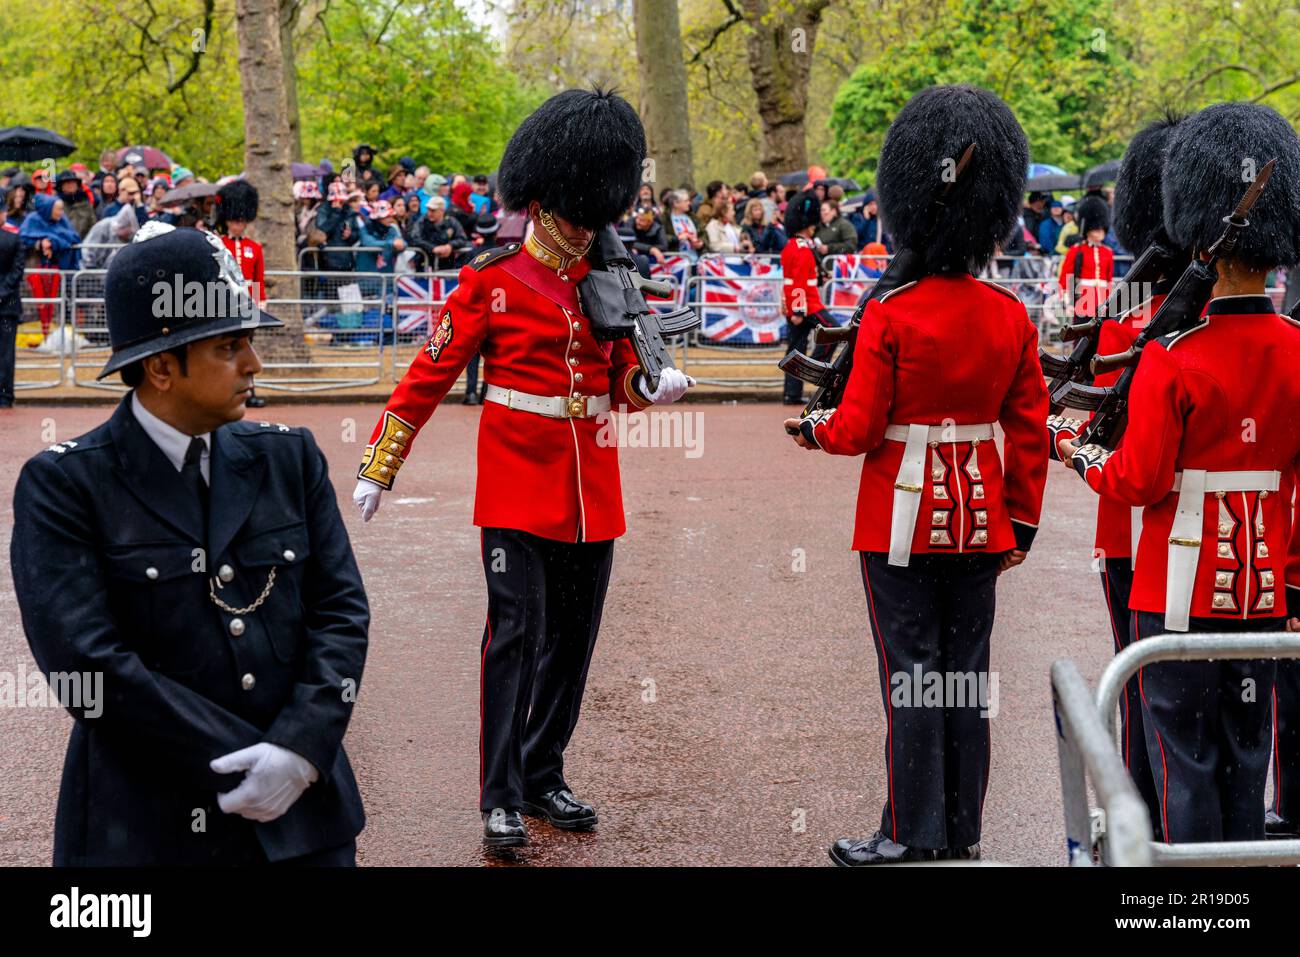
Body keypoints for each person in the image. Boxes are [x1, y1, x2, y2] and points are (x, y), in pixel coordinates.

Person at [350, 88, 693, 849]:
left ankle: (544, 771)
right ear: (543, 202)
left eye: (592, 212)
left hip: (592, 492)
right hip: (514, 488)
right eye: (575, 211)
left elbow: (620, 386)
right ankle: (500, 793)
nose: (583, 226)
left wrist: (651, 383)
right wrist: (383, 462)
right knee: (515, 634)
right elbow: (426, 376)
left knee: (573, 641)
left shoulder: (606, 278)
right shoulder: (493, 281)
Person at [10, 226, 369, 865]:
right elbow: (85, 663)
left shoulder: (289, 456)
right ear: (161, 366)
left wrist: (298, 749)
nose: (253, 365)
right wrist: (244, 759)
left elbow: (341, 611)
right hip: (147, 822)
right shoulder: (66, 484)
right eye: (230, 347)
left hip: (301, 818)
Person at [786, 84, 1048, 865]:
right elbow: (1028, 429)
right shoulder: (1009, 314)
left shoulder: (891, 314)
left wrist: (816, 429)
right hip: (981, 524)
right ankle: (961, 831)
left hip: (901, 523)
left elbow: (860, 426)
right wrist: (1021, 522)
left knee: (912, 678)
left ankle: (908, 832)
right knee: (966, 680)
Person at [1066, 102, 1300, 844]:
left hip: (1173, 591)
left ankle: (1187, 903)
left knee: (1182, 760)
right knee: (1245, 753)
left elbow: (1137, 479)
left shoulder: (1173, 356)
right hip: (1259, 589)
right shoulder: (1295, 349)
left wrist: (1080, 455)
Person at [1046, 116, 1187, 842]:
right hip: (1215, 536)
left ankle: (1144, 831)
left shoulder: (1130, 315)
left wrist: (1070, 445)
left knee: (1139, 680)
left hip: (1132, 526)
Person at [216, 179, 270, 408]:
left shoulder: (254, 247)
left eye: (241, 221)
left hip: (247, 302)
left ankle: (249, 392)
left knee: (247, 348)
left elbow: (258, 278)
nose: (238, 225)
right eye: (234, 221)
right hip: (227, 301)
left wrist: (260, 302)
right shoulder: (219, 243)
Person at [779, 191, 835, 406]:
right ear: (807, 224)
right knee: (834, 330)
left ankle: (791, 394)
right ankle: (816, 365)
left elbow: (799, 280)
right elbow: (799, 283)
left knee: (796, 348)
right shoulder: (801, 248)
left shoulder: (792, 246)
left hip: (798, 304)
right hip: (808, 304)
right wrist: (799, 311)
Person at [1056, 195, 1113, 319]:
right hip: (1083, 302)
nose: (1100, 232)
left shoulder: (1107, 252)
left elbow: (1108, 281)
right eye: (1096, 229)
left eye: (1102, 229)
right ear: (1087, 230)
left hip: (1102, 303)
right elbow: (1067, 277)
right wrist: (1068, 303)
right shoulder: (1076, 250)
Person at [0, 196, 24, 409]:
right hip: (7, 305)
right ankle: (5, 396)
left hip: (7, 304)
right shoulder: (14, 239)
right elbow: (17, 271)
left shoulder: (13, 239)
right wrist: (3, 292)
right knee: (6, 353)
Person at [406, 195, 472, 270]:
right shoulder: (422, 222)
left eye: (433, 210)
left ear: (442, 210)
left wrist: (450, 246)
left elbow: (462, 238)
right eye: (428, 209)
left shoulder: (451, 222)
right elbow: (415, 238)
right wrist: (432, 248)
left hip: (447, 265)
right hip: (425, 264)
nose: (429, 213)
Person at [81, 203, 140, 269]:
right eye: (129, 231)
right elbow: (88, 249)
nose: (129, 234)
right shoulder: (103, 227)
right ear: (122, 226)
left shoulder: (121, 237)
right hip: (87, 268)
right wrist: (89, 265)